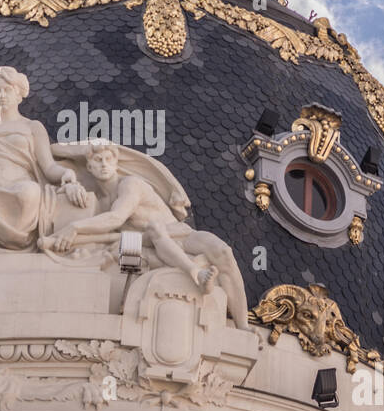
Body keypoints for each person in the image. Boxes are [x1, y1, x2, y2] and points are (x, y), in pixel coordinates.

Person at [47, 141, 249, 329]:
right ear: (88, 166)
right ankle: (196, 273)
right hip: (138, 246)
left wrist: (74, 227)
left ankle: (243, 327)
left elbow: (116, 218)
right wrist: (74, 172)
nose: (104, 165)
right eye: (97, 161)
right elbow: (53, 149)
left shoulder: (130, 184)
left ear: (117, 162)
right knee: (149, 233)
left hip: (177, 234)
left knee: (223, 251)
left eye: (109, 159)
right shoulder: (99, 200)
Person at [0, 68, 87, 251]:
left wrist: (67, 174)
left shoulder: (32, 127)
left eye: (7, 90)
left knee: (29, 192)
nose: (2, 95)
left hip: (19, 183)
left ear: (18, 94)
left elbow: (48, 167)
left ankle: (16, 240)